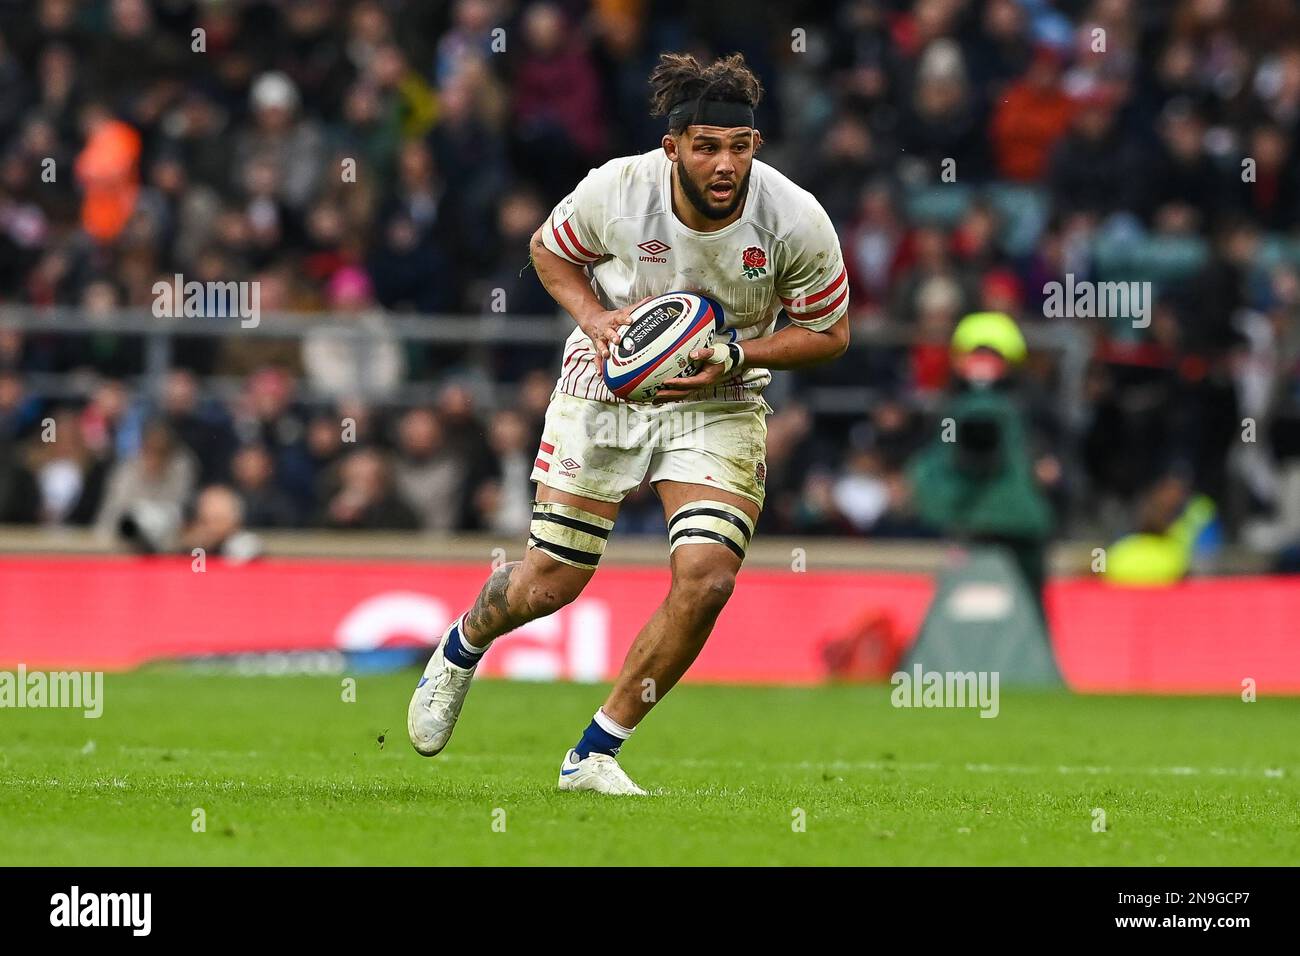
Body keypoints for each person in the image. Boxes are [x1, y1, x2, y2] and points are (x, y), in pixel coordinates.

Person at [407, 52, 850, 794]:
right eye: (706, 146)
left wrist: (737, 352)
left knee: (707, 579)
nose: (724, 164)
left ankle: (594, 753)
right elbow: (549, 251)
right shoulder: (618, 188)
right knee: (549, 585)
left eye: (739, 147)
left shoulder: (794, 218)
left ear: (757, 148)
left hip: (720, 395)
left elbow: (830, 332)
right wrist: (594, 317)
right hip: (607, 384)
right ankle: (463, 643)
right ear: (672, 147)